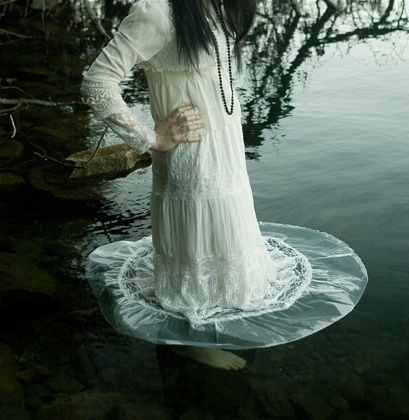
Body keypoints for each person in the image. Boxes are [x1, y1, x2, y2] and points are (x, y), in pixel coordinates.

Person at [82, 0, 367, 370]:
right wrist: (151, 139)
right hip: (191, 153)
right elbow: (97, 82)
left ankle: (217, 305)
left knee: (226, 241)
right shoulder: (156, 13)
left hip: (224, 143)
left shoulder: (216, 6)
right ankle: (192, 333)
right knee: (199, 239)